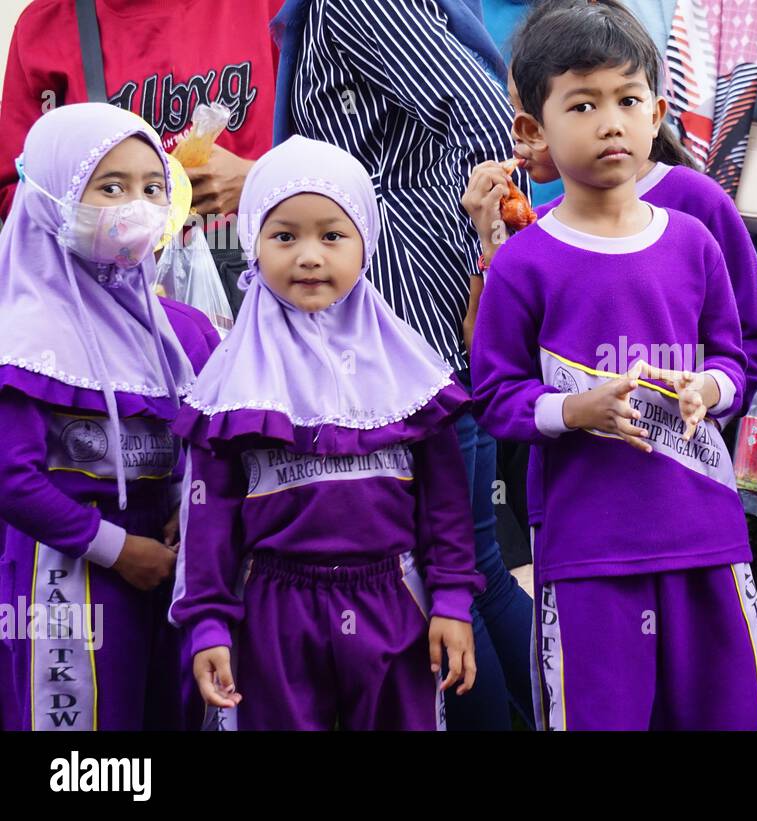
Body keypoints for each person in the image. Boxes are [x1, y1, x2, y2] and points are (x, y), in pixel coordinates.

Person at [471, 1, 757, 730]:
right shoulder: (522, 264)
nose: (611, 121)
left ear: (657, 110)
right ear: (533, 131)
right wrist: (576, 410)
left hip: (706, 535)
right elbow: (496, 394)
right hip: (586, 551)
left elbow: (740, 353)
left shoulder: (695, 239)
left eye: (628, 100)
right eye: (584, 103)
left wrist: (711, 388)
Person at [270, 0, 538, 729]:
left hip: (404, 312)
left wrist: (454, 238)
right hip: (412, 309)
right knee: (475, 566)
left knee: (446, 567)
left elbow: (482, 111)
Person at [170, 137, 483, 730]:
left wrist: (451, 601)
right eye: (284, 236)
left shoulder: (406, 369)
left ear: (365, 242)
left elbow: (445, 505)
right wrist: (208, 622)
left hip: (395, 599)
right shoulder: (235, 378)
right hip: (272, 610)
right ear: (253, 245)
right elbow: (207, 515)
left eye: (332, 235)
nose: (309, 256)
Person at [0, 103, 215, 731]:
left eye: (153, 188)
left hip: (164, 566)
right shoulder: (26, 333)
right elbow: (12, 478)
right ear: (52, 196)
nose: (136, 206)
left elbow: (186, 440)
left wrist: (183, 507)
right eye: (110, 187)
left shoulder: (168, 330)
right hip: (65, 569)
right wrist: (118, 551)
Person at [0, 0, 283, 313]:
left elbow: (333, 160)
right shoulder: (44, 26)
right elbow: (21, 193)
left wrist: (254, 179)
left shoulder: (271, 7)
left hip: (256, 270)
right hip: (113, 292)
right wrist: (95, 222)